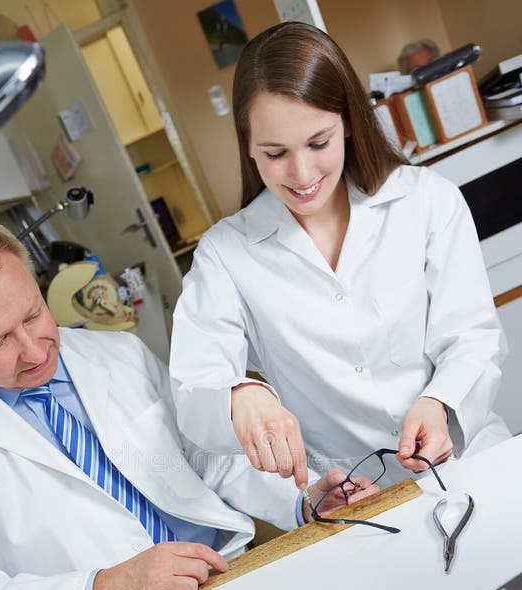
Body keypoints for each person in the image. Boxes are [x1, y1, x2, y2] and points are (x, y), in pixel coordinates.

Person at [0, 213, 374, 590]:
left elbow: (202, 457)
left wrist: (302, 501)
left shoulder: (117, 353)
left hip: (231, 578)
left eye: (34, 314)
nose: (36, 351)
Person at [169, 22, 509, 495]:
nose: (302, 174)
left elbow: (472, 337)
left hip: (474, 463)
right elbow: (193, 390)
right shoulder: (226, 255)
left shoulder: (426, 200)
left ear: (348, 120)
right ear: (247, 145)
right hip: (357, 501)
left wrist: (441, 404)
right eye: (274, 153)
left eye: (318, 143)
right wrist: (240, 396)